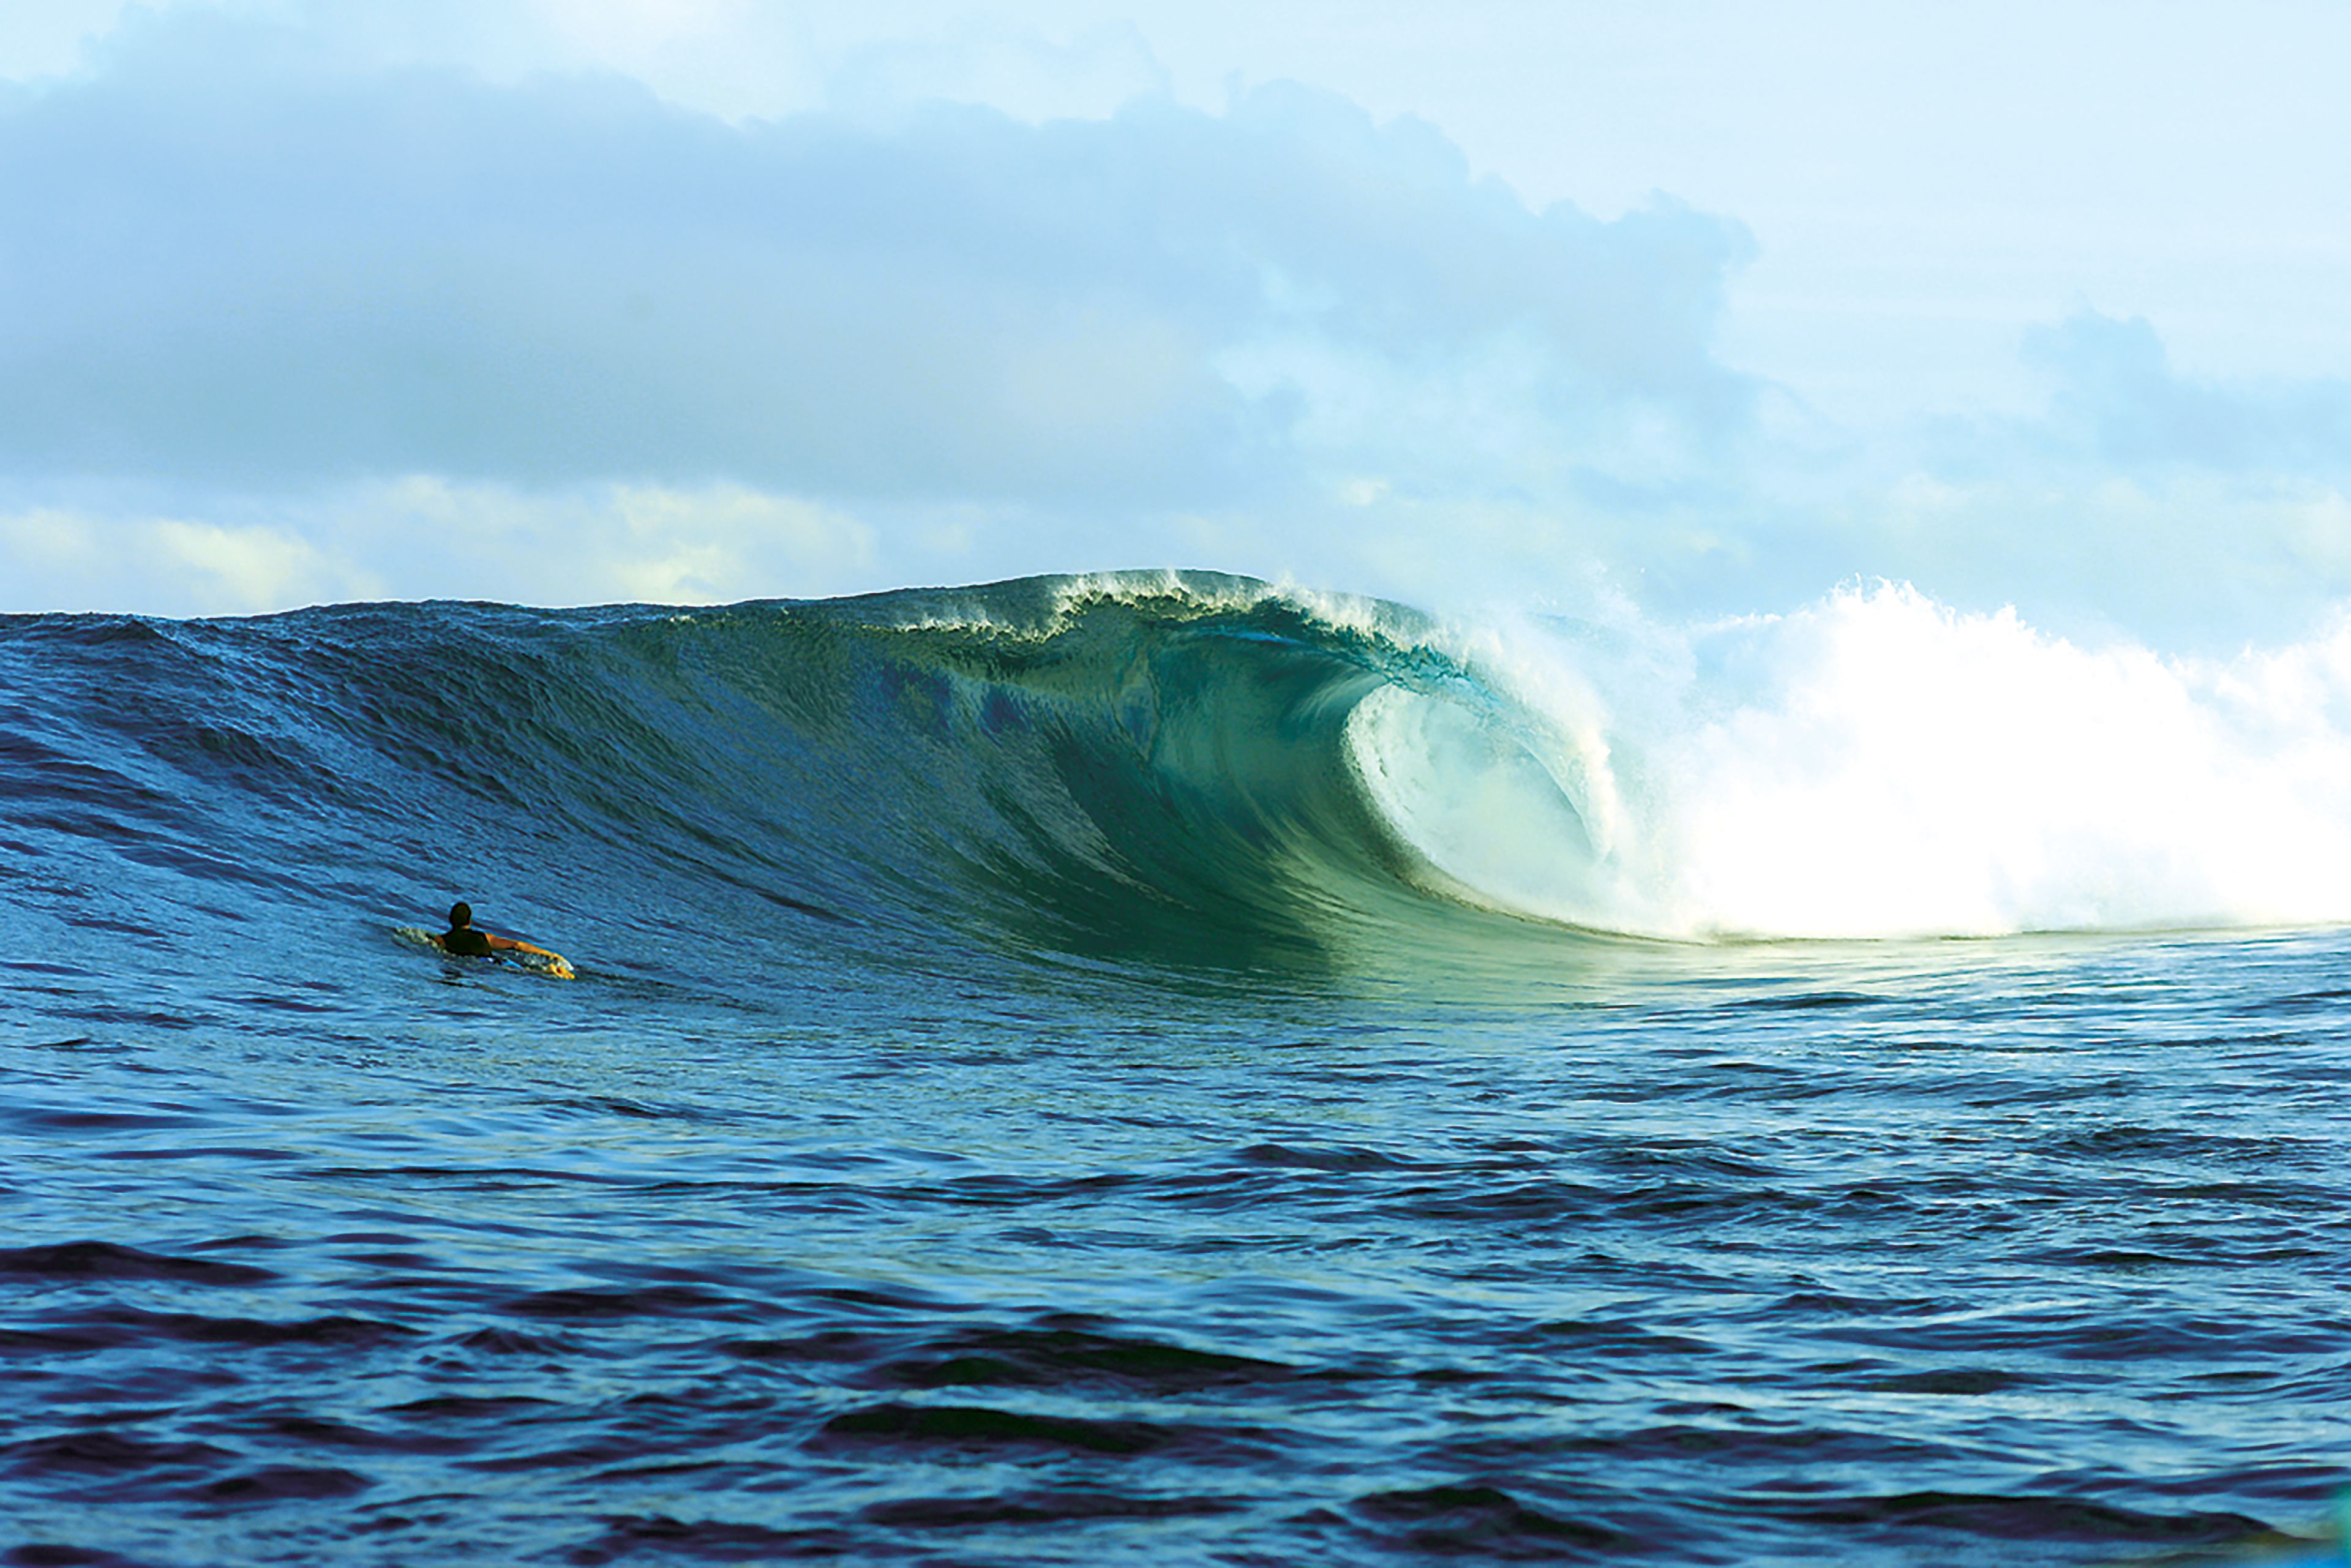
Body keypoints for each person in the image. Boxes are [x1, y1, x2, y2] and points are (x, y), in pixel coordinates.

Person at [438, 902, 567, 969]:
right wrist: (550, 954)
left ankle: (548, 971)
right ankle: (550, 970)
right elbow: (518, 945)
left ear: (450, 919)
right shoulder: (486, 937)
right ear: (470, 921)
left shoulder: (442, 940)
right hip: (494, 961)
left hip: (476, 964)